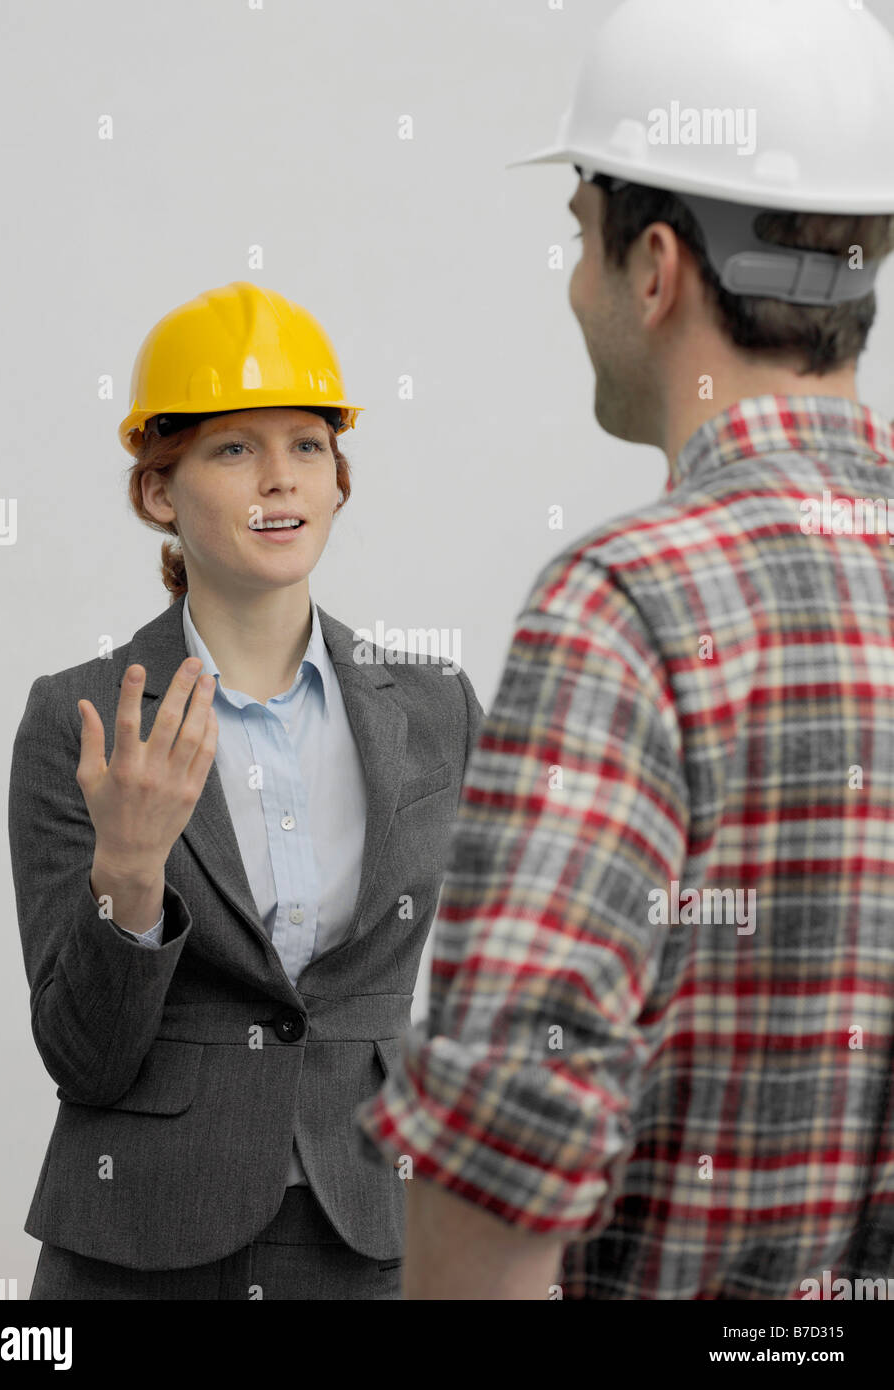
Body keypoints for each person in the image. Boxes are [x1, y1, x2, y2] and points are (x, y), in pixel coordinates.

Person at [357, 0, 894, 1299]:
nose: (570, 281)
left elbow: (503, 1138)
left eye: (576, 237)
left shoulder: (629, 606)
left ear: (653, 266)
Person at [7, 280, 483, 1299]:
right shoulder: (79, 717)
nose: (281, 479)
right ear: (156, 491)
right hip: (138, 1239)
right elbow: (82, 1059)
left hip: (373, 1227)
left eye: (306, 445)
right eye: (234, 449)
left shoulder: (439, 706)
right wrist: (129, 873)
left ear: (339, 476)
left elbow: (505, 988)